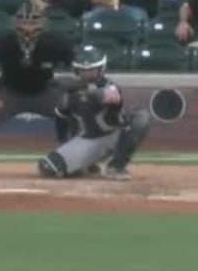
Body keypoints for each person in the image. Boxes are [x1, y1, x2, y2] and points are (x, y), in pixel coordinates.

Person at [0, 2, 74, 176]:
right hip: (10, 92)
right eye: (23, 22)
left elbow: (76, 67)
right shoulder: (3, 41)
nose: (28, 27)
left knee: (73, 116)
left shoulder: (56, 42)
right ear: (15, 22)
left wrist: (68, 93)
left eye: (33, 22)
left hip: (44, 91)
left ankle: (78, 161)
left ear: (43, 22)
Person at [39, 46, 151, 181]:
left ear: (101, 69)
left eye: (92, 70)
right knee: (49, 167)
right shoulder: (68, 95)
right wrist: (66, 143)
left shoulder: (109, 85)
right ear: (76, 70)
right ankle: (87, 164)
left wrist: (83, 89)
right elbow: (61, 117)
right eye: (83, 70)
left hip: (116, 136)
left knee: (141, 117)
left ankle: (116, 166)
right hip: (89, 140)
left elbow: (111, 97)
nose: (87, 74)